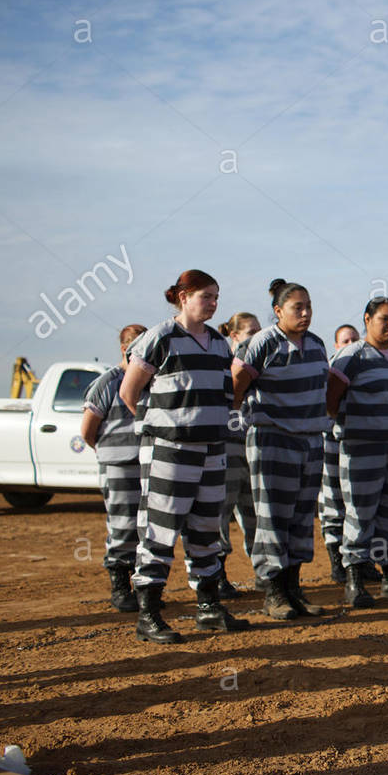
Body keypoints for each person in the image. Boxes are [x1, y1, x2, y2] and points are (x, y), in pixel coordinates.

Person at [118, 269, 250, 643]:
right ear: (183, 296)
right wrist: (163, 427)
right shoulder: (160, 338)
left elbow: (226, 395)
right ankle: (149, 614)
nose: (212, 303)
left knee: (206, 529)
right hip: (170, 450)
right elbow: (130, 393)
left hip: (212, 448)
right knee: (160, 529)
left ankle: (208, 608)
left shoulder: (220, 344)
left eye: (216, 297)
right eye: (205, 296)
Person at [232, 280, 330, 620]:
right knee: (272, 516)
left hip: (310, 440)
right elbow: (236, 385)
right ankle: (273, 593)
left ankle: (293, 589)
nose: (305, 314)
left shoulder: (317, 345)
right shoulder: (261, 343)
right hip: (272, 439)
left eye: (308, 307)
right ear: (278, 311)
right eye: (297, 308)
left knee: (302, 517)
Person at [326, 297, 388, 607]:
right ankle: (355, 579)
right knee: (360, 512)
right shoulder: (351, 356)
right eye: (384, 318)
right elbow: (330, 400)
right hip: (362, 450)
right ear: (367, 319)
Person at [80, 323, 147, 612]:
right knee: (123, 526)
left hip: (148, 464)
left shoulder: (151, 381)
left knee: (146, 528)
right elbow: (87, 430)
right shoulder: (108, 382)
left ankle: (144, 585)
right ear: (124, 349)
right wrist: (112, 453)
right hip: (119, 465)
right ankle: (120, 586)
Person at [212, 309, 261, 597]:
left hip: (251, 449)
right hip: (226, 449)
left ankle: (265, 572)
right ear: (235, 336)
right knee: (220, 513)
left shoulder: (257, 365)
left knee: (255, 514)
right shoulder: (224, 365)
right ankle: (216, 575)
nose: (257, 337)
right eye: (251, 332)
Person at [319, 324, 367, 584]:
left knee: (356, 503)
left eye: (353, 339)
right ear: (336, 345)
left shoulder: (360, 365)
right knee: (333, 500)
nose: (350, 343)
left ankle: (360, 560)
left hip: (355, 440)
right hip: (330, 438)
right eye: (344, 340)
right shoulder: (333, 367)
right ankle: (336, 560)